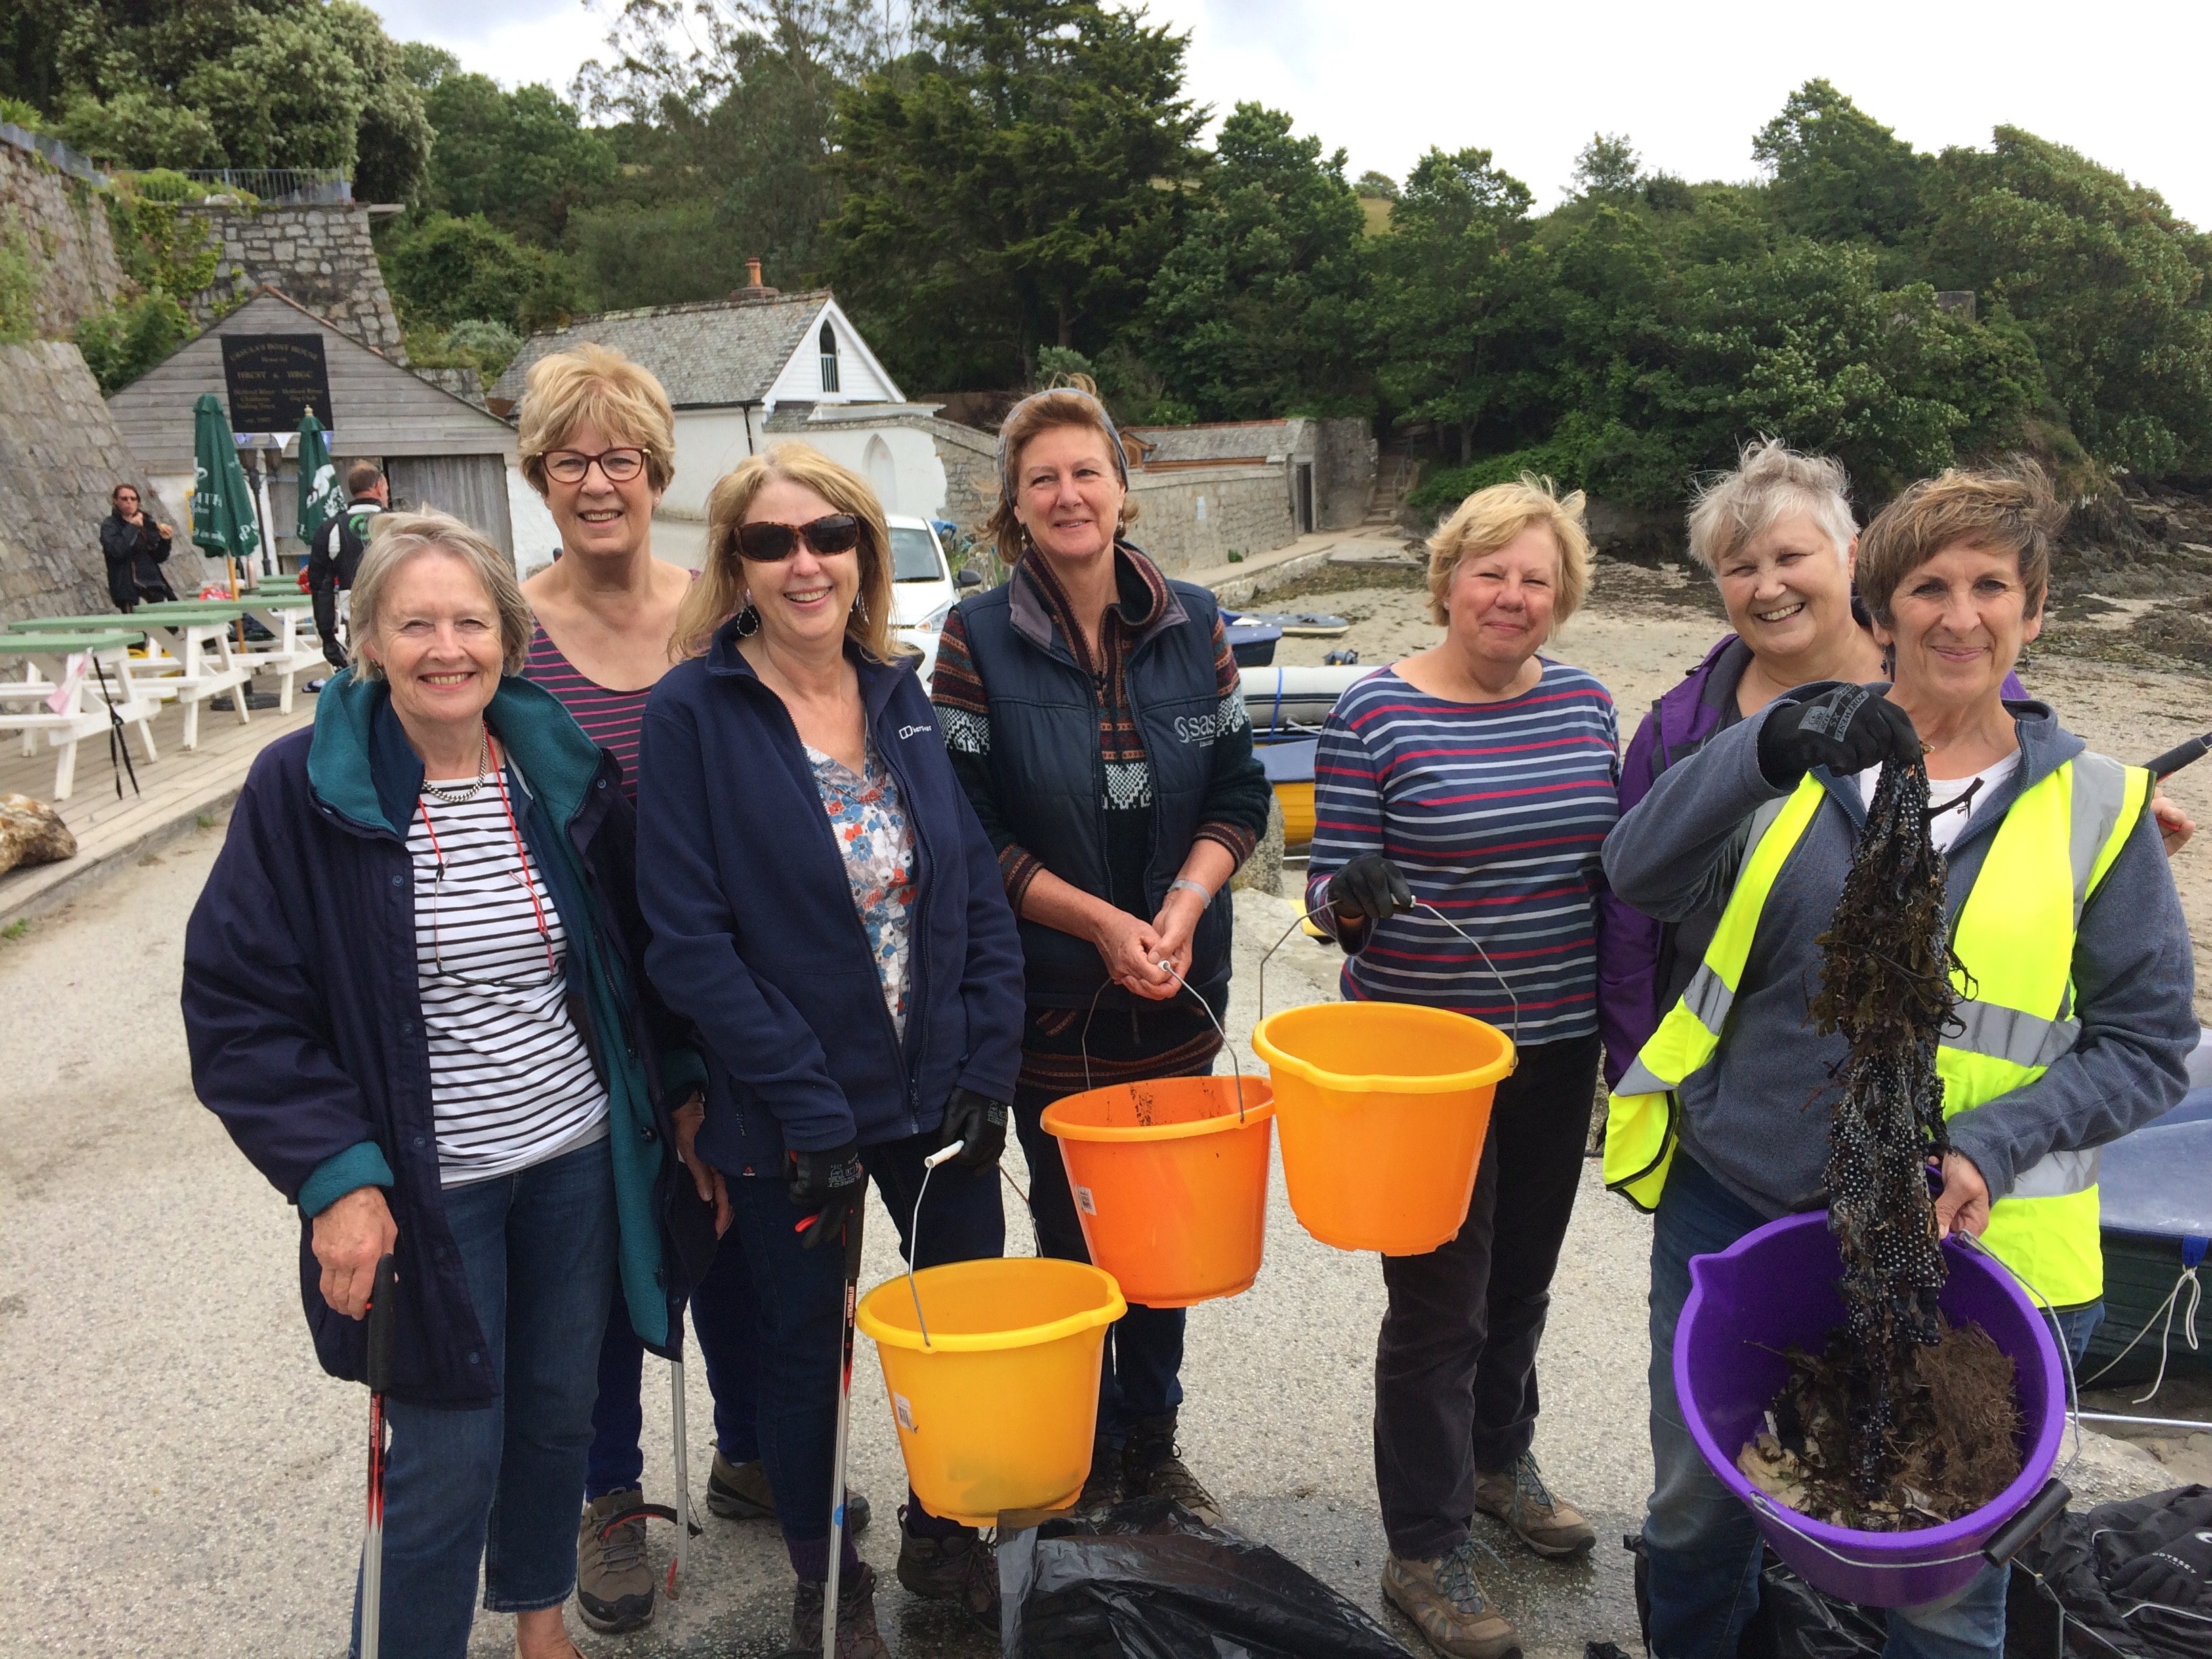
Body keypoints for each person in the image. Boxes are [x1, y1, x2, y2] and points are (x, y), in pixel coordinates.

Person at [1603, 460, 2196, 1659]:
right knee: (1694, 1509)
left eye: (1990, 585)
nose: (1957, 614)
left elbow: (2147, 1045)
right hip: (1743, 1206)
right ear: (1876, 617)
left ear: (2032, 614)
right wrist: (1766, 740)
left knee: (1940, 1570)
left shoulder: (2095, 809)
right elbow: (1637, 870)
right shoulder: (1798, 769)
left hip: (1965, 1254)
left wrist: (1991, 1140)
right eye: (1925, 585)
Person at [182, 512, 705, 1659]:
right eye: (413, 622)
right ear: (367, 638)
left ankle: (537, 1623)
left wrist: (677, 1084)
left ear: (508, 639)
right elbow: (236, 1006)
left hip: (571, 1157)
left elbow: (627, 953)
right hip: (429, 1186)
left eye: (469, 620)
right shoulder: (302, 789)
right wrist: (335, 1178)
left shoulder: (555, 771)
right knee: (442, 1458)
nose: (445, 646)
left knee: (554, 1416)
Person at [636, 443, 1025, 1655]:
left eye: (829, 537)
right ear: (735, 564)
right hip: (787, 1112)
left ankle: (941, 1528)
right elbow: (688, 944)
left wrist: (985, 1071)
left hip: (935, 1096)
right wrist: (809, 1109)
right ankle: (825, 1571)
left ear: (861, 553)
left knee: (956, 1331)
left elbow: (966, 896)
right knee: (808, 1351)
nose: (803, 561)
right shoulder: (693, 711)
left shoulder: (899, 692)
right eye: (771, 541)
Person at [512, 342, 822, 1635]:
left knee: (744, 1230)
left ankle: (753, 1446)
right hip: (574, 1004)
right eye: (572, 458)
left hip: (728, 985)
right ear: (538, 476)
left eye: (622, 457)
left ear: (657, 472)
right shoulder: (504, 628)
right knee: (593, 1250)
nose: (599, 481)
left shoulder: (720, 607)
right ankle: (607, 1494)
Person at [1597, 439, 2191, 1103]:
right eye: (1741, 567)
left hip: (1964, 1173)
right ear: (1887, 612)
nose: (1961, 620)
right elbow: (1634, 901)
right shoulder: (1711, 742)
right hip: (1736, 1140)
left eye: (1791, 557)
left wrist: (2097, 851)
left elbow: (2139, 1031)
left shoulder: (2068, 781)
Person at [930, 378, 1273, 1525]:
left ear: (1122, 490)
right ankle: (1080, 1455)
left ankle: (1153, 1442)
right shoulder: (973, 635)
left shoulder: (1200, 617)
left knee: (1162, 1241)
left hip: (1179, 988)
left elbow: (1237, 789)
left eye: (1086, 471)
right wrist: (1099, 922)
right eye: (1042, 478)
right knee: (1077, 1243)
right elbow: (966, 831)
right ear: (1012, 508)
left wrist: (1178, 905)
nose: (1067, 493)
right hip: (1054, 1004)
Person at [1303, 478, 1618, 1659]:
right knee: (1437, 1305)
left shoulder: (1587, 703)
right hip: (1424, 1068)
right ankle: (1420, 1544)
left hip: (1556, 1042)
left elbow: (1619, 864)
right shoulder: (1375, 713)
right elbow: (1328, 898)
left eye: (1535, 577)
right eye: (1489, 572)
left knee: (1522, 1279)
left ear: (1561, 597)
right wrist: (1349, 895)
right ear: (1444, 583)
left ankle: (1497, 1459)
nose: (1511, 595)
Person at [308, 461, 390, 674]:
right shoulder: (398, 524)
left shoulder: (330, 528)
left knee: (362, 681)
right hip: (399, 617)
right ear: (379, 487)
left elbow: (320, 587)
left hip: (356, 622)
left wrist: (327, 637)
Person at [100, 483, 176, 610]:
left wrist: (165, 540)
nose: (129, 502)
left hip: (155, 585)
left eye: (133, 499)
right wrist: (133, 527)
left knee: (169, 627)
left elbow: (159, 557)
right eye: (124, 499)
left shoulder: (147, 523)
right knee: (143, 628)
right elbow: (117, 551)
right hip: (130, 589)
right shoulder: (110, 526)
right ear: (115, 501)